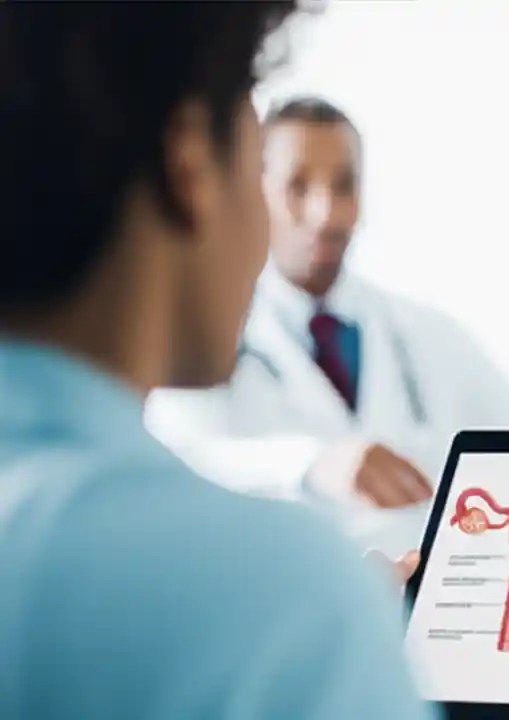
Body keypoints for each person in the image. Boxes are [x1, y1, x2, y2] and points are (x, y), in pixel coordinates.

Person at [0, 4, 436, 718]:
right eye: (267, 174)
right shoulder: (283, 604)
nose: (321, 215)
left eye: (344, 184)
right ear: (191, 166)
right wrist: (336, 618)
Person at [144, 97, 509, 556]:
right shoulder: (206, 333)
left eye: (344, 185)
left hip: (415, 593)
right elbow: (180, 461)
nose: (325, 213)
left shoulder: (423, 331)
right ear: (256, 191)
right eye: (298, 186)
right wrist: (310, 464)